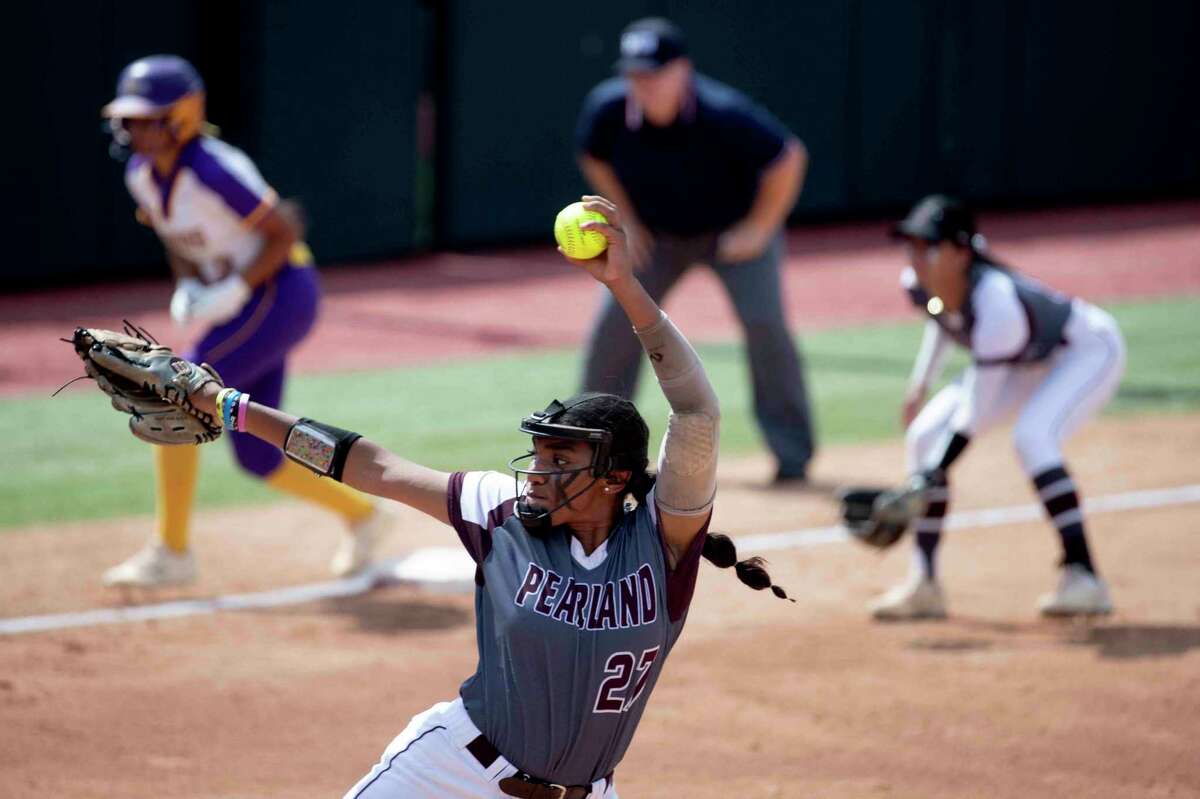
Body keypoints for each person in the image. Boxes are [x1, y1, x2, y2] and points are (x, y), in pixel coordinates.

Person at [94, 196, 792, 797]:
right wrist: (235, 406)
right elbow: (374, 466)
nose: (538, 472)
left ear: (614, 476)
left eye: (560, 458)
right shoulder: (501, 511)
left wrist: (625, 287)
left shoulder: (662, 544)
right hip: (448, 773)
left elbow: (697, 413)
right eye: (540, 455)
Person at [99, 54, 388, 587]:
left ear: (180, 116)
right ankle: (364, 516)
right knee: (257, 452)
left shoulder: (213, 169)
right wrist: (189, 282)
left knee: (172, 390)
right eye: (130, 118)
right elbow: (175, 236)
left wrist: (234, 288)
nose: (135, 129)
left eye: (148, 117)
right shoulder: (141, 175)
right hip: (255, 302)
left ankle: (173, 551)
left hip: (282, 292)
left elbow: (284, 232)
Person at [575, 17, 816, 484]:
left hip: (731, 235)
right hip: (657, 237)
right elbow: (593, 155)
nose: (643, 84)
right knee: (613, 328)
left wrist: (759, 228)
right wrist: (628, 218)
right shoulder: (607, 110)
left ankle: (793, 455)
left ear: (682, 69)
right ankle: (589, 449)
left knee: (766, 327)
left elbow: (788, 157)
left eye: (654, 72)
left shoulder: (723, 112)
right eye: (635, 74)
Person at [871, 194, 1126, 620]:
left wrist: (935, 473)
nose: (915, 257)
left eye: (926, 246)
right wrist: (920, 386)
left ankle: (1085, 578)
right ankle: (924, 584)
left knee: (1033, 437)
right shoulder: (918, 283)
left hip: (1084, 352)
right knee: (924, 437)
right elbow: (943, 319)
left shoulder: (997, 303)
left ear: (959, 252)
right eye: (910, 245)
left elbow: (976, 411)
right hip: (1022, 360)